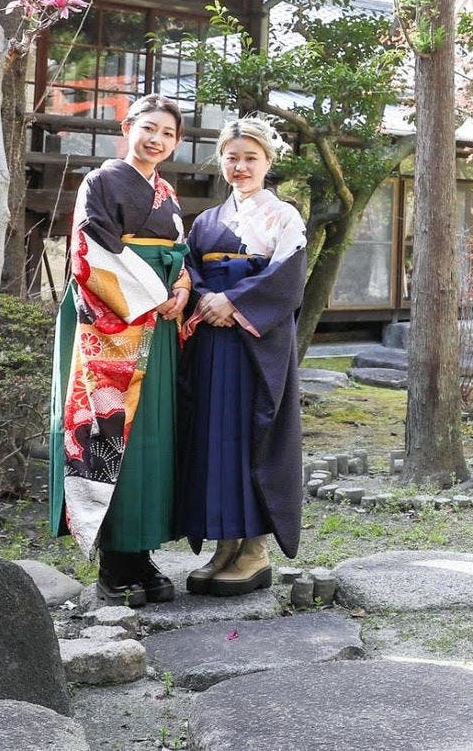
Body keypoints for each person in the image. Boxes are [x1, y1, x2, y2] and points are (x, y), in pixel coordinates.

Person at [48, 94, 192, 606]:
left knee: (152, 441)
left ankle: (143, 553)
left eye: (168, 134)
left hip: (158, 324)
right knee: (110, 432)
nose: (156, 140)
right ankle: (113, 560)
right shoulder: (101, 182)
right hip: (113, 326)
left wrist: (182, 288)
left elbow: (180, 253)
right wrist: (157, 296)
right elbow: (93, 250)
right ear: (126, 127)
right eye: (148, 128)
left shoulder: (167, 192)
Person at [176, 114, 308, 595]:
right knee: (215, 440)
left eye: (250, 158)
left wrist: (232, 301)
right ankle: (224, 545)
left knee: (253, 435)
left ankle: (254, 549)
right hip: (212, 344)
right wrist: (204, 299)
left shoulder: (284, 217)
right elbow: (188, 272)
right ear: (221, 162)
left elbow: (287, 282)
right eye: (232, 158)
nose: (240, 166)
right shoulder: (205, 223)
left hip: (256, 346)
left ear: (268, 162)